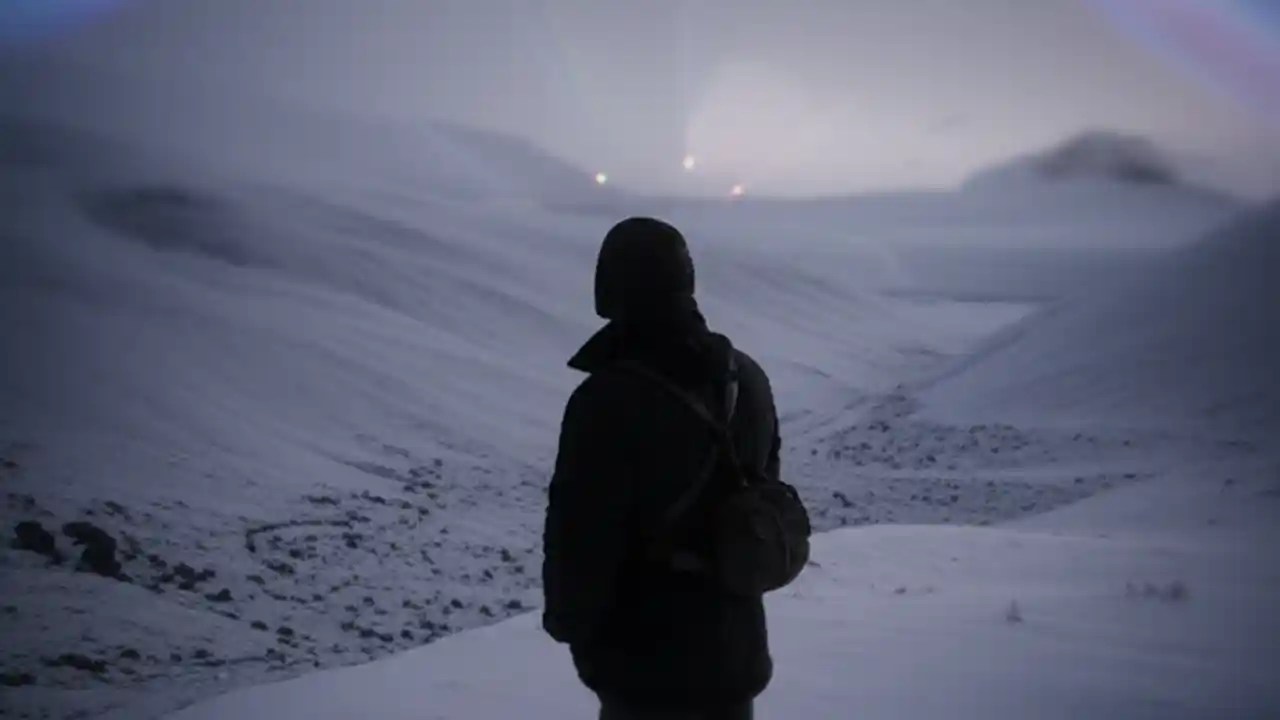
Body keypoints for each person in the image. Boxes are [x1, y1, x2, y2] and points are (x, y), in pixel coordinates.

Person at [542, 217, 782, 720]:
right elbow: (763, 493)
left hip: (644, 670)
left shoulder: (605, 400)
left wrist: (571, 625)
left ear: (610, 286)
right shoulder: (748, 379)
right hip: (735, 654)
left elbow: (581, 538)